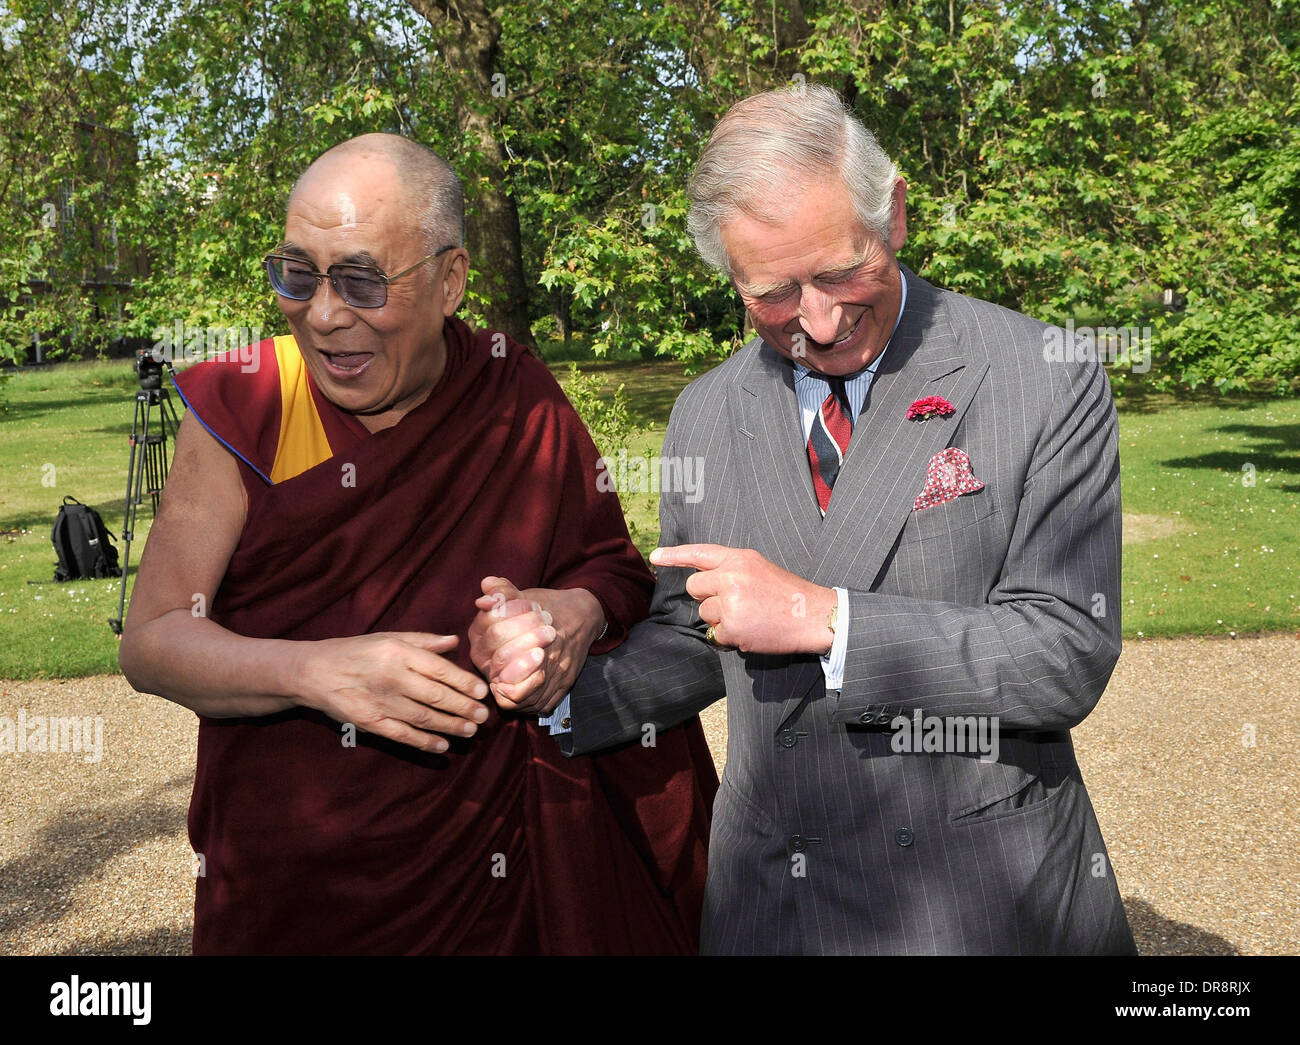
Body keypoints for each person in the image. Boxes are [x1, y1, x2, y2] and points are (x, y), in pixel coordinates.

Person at [470, 86, 1138, 955]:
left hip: (977, 896)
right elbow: (696, 631)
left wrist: (828, 619)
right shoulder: (706, 414)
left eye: (841, 271)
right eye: (773, 293)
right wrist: (554, 687)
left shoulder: (1044, 377)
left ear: (893, 214)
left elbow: (1065, 653)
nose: (818, 321)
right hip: (770, 906)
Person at [118, 133, 717, 955]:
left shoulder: (515, 393)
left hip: (492, 870)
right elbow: (153, 642)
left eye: (361, 280)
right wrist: (316, 671)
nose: (322, 314)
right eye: (297, 273)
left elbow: (609, 568)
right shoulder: (249, 404)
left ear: (450, 281)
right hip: (298, 880)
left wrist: (565, 614)